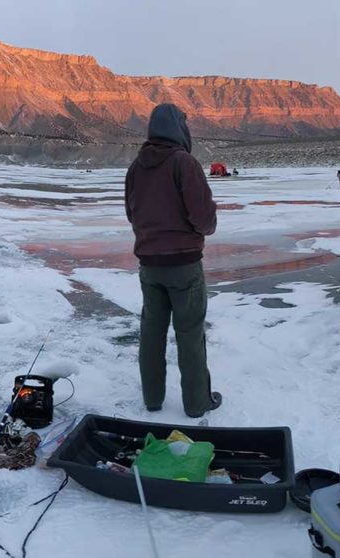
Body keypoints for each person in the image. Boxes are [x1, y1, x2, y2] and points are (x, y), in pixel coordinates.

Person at [125, 103, 220, 418]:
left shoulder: (136, 167)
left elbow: (131, 213)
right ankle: (197, 403)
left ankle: (153, 400)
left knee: (151, 334)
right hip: (183, 265)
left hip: (149, 265)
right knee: (190, 334)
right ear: (179, 128)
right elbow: (203, 217)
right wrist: (204, 228)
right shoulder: (184, 162)